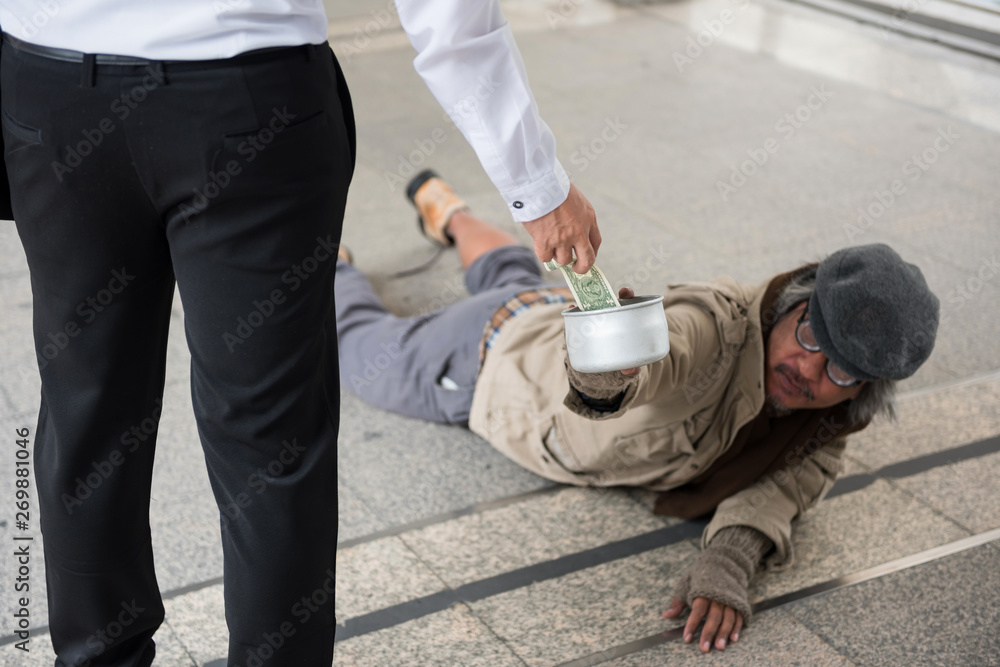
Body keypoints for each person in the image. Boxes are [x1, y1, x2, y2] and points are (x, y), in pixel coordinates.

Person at [0, 1, 599, 664]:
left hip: (53, 93)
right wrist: (535, 181)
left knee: (87, 415)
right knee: (269, 441)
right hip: (247, 95)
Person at [335, 171, 940, 654]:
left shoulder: (829, 422)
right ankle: (332, 261)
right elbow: (664, 350)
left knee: (508, 272)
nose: (810, 372)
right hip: (489, 360)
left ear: (864, 391)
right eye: (810, 337)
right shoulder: (717, 325)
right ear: (792, 302)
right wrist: (610, 371)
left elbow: (786, 488)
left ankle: (450, 212)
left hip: (539, 307)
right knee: (356, 342)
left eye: (843, 372)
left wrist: (729, 558)